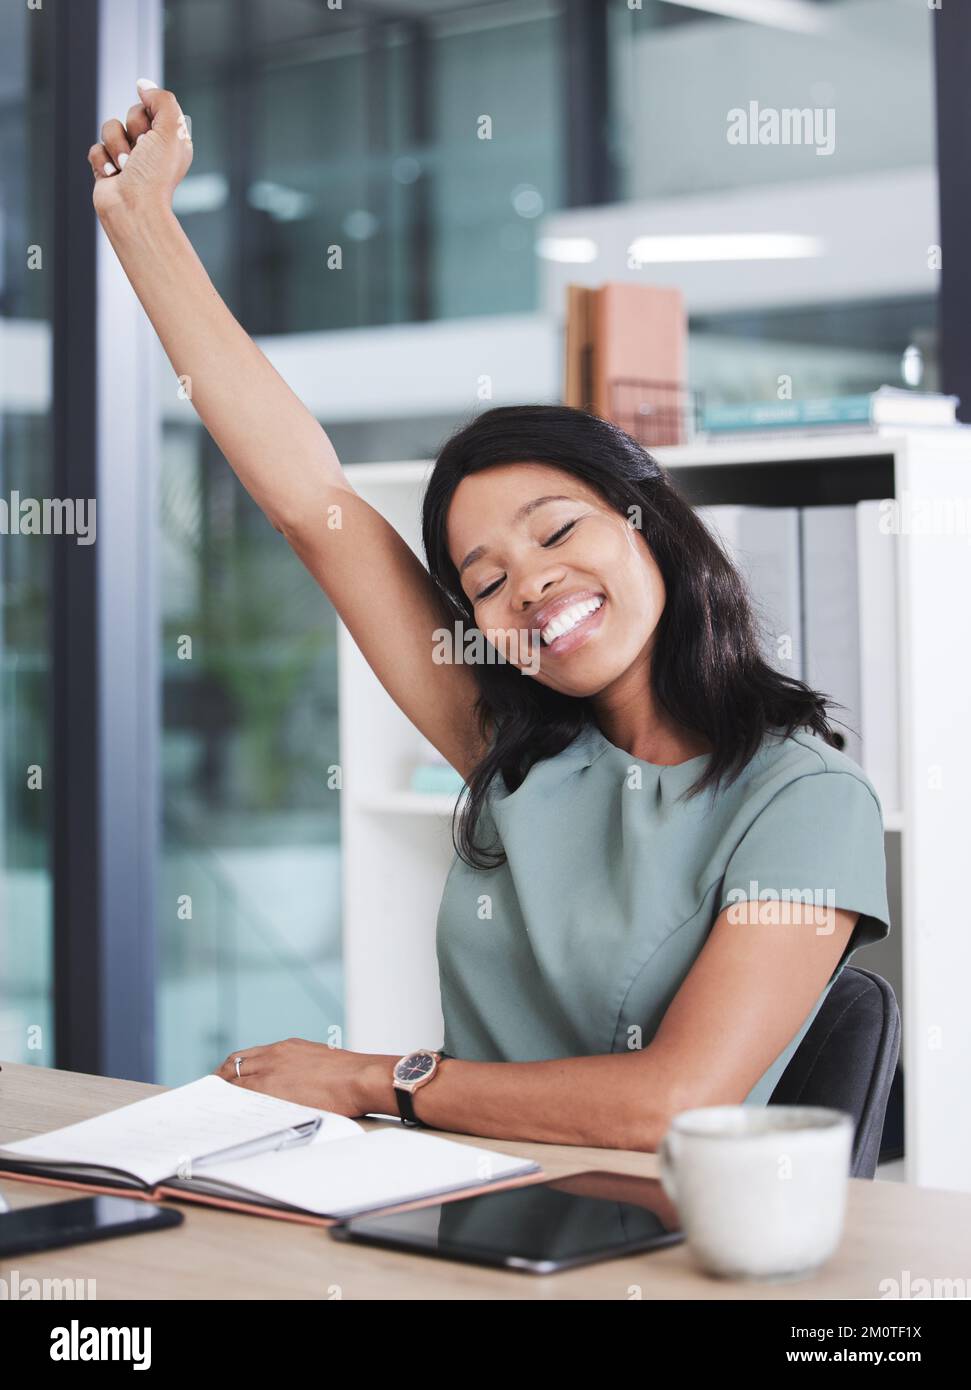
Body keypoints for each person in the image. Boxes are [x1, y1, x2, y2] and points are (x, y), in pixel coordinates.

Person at [88, 82, 890, 1153]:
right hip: (450, 1203)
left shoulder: (806, 799)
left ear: (645, 520)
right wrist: (141, 224)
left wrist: (375, 1079)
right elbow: (311, 508)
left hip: (639, 1245)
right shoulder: (514, 751)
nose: (530, 586)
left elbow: (670, 1101)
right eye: (483, 578)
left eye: (557, 532)